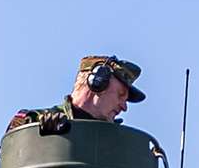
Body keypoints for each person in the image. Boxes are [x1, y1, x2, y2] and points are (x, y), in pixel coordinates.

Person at [9, 54, 146, 133]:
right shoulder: (32, 120)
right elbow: (10, 156)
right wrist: (40, 138)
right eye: (120, 95)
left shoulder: (119, 142)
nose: (124, 107)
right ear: (98, 82)